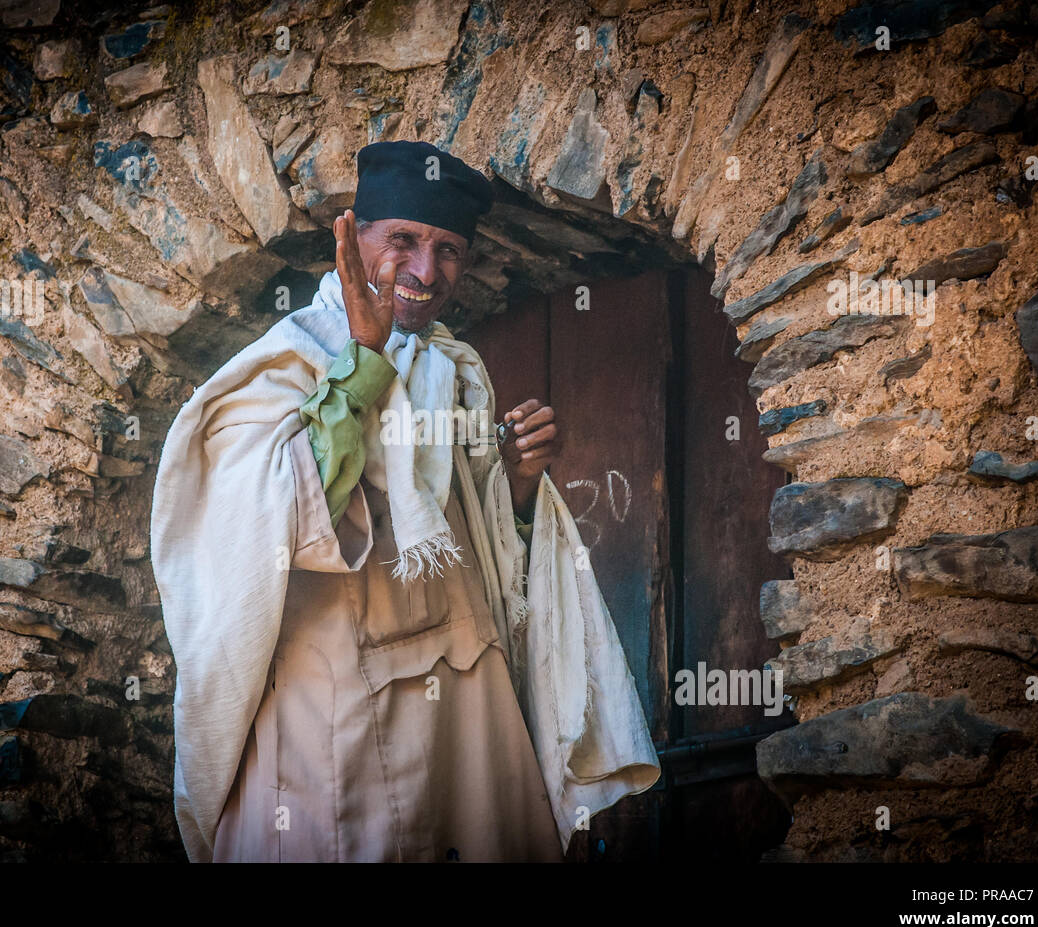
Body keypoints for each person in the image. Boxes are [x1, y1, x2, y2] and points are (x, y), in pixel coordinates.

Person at [151, 141, 659, 862]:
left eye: (448, 250)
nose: (426, 272)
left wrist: (516, 481)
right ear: (352, 241)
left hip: (470, 737)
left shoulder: (451, 371)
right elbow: (280, 526)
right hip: (335, 742)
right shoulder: (280, 369)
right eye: (404, 242)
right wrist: (362, 362)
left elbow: (486, 553)